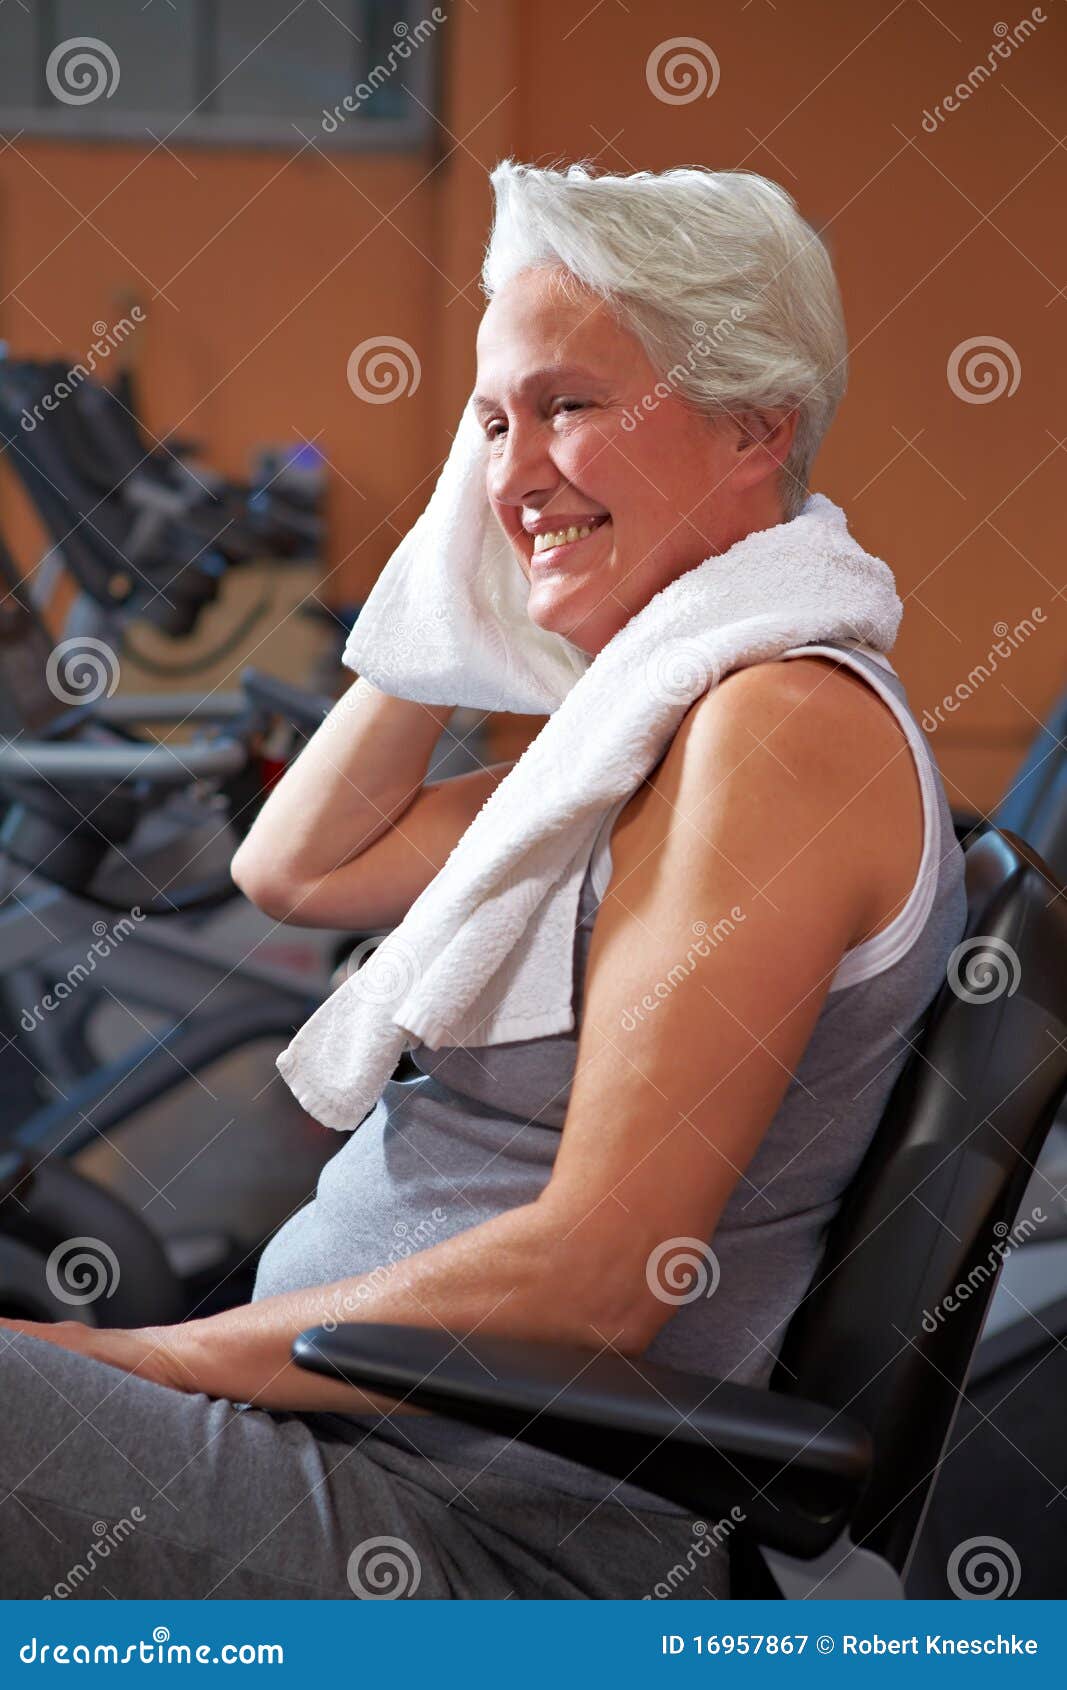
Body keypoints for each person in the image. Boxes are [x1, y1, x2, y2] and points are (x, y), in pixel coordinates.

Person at [0, 160, 966, 1600]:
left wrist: (141, 1361)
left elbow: (603, 1275)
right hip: (385, 1453)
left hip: (490, 1535)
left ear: (758, 421)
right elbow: (294, 861)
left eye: (572, 403)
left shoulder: (773, 734)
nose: (510, 467)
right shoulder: (651, 725)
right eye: (490, 422)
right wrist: (505, 518)